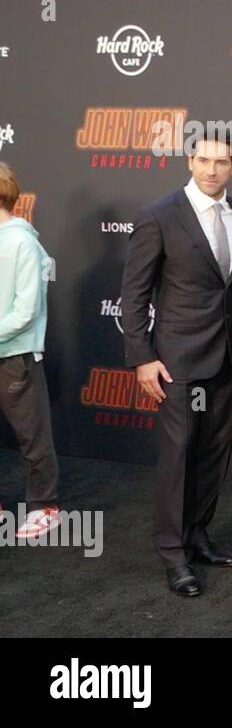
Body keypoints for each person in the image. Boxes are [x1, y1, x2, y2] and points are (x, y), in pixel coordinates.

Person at [120, 129, 232, 596]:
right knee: (179, 457)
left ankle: (199, 535)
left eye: (221, 162)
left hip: (228, 354)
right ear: (189, 162)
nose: (212, 169)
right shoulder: (158, 216)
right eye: (203, 160)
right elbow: (133, 297)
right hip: (176, 359)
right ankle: (173, 555)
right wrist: (142, 359)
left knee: (215, 452)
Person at [0, 163, 61, 542]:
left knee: (32, 436)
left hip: (15, 357)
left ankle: (44, 507)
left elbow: (26, 312)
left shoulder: (22, 242)